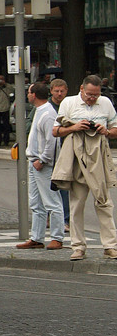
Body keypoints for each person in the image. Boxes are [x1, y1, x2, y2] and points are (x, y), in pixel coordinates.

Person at [50, 75, 117, 261]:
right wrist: (75, 127)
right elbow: (56, 131)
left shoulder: (105, 103)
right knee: (76, 204)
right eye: (89, 94)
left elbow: (115, 129)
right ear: (81, 89)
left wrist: (106, 131)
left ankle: (110, 246)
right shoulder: (69, 103)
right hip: (77, 155)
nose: (92, 98)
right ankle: (78, 247)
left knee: (104, 202)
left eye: (96, 95)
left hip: (99, 154)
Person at [16, 82, 64, 250]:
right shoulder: (40, 111)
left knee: (51, 201)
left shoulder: (48, 113)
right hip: (35, 161)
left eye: (29, 92)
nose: (28, 95)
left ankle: (57, 237)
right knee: (36, 202)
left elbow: (52, 141)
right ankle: (37, 237)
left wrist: (43, 160)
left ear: (34, 95)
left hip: (41, 163)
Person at [49, 78, 71, 231]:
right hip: (50, 151)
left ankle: (65, 219)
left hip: (65, 149)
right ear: (51, 91)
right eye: (56, 91)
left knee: (63, 185)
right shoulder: (46, 107)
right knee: (48, 187)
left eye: (62, 91)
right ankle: (51, 217)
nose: (59, 94)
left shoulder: (69, 106)